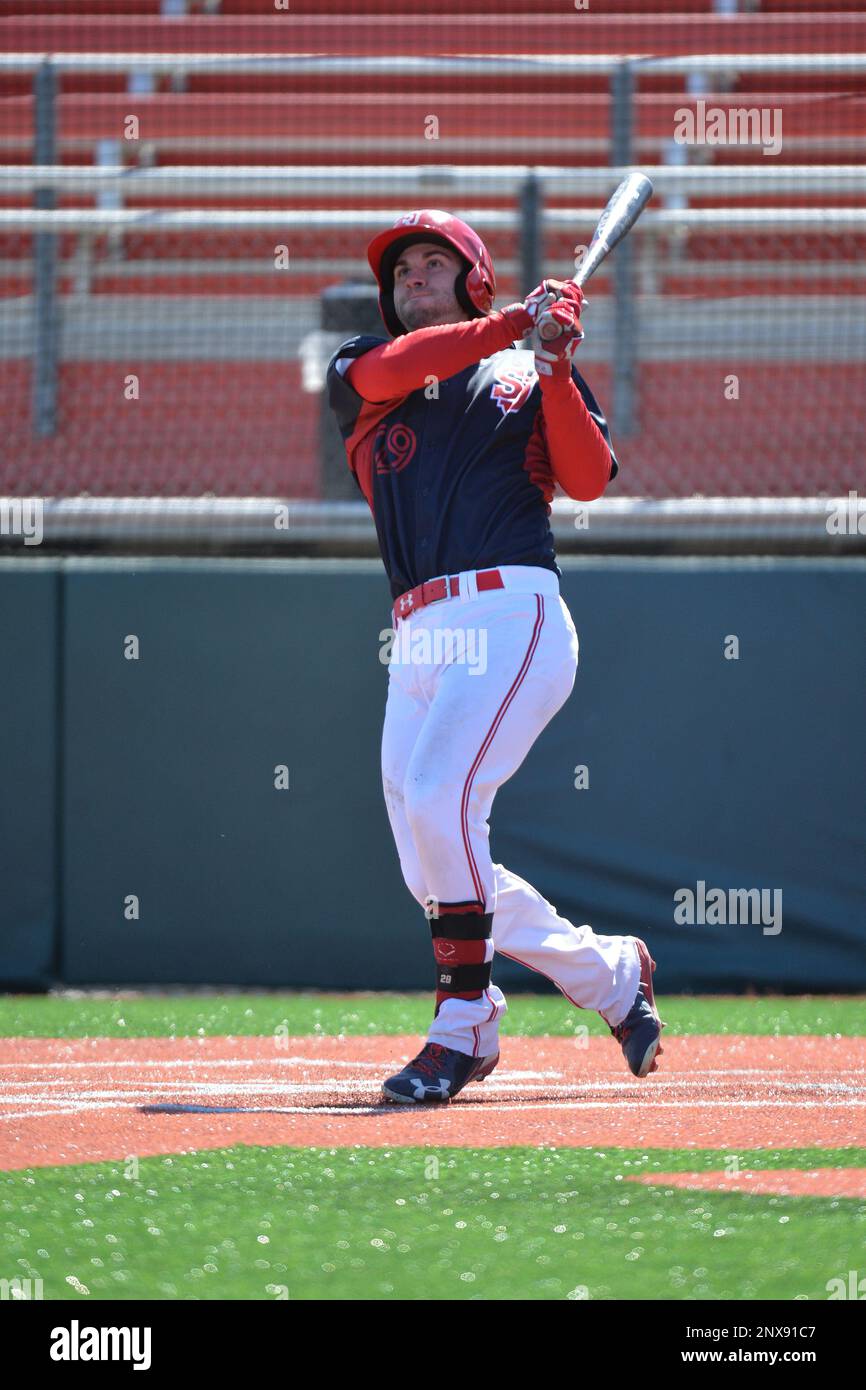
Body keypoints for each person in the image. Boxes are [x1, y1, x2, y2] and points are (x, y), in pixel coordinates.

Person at [326, 209, 663, 1104]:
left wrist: (551, 362)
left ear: (474, 277)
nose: (413, 282)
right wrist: (516, 323)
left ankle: (464, 1024)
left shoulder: (526, 369)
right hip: (419, 634)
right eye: (403, 273)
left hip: (511, 611)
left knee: (439, 802)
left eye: (434, 265)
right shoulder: (366, 370)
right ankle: (609, 975)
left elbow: (588, 479)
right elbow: (406, 362)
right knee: (430, 860)